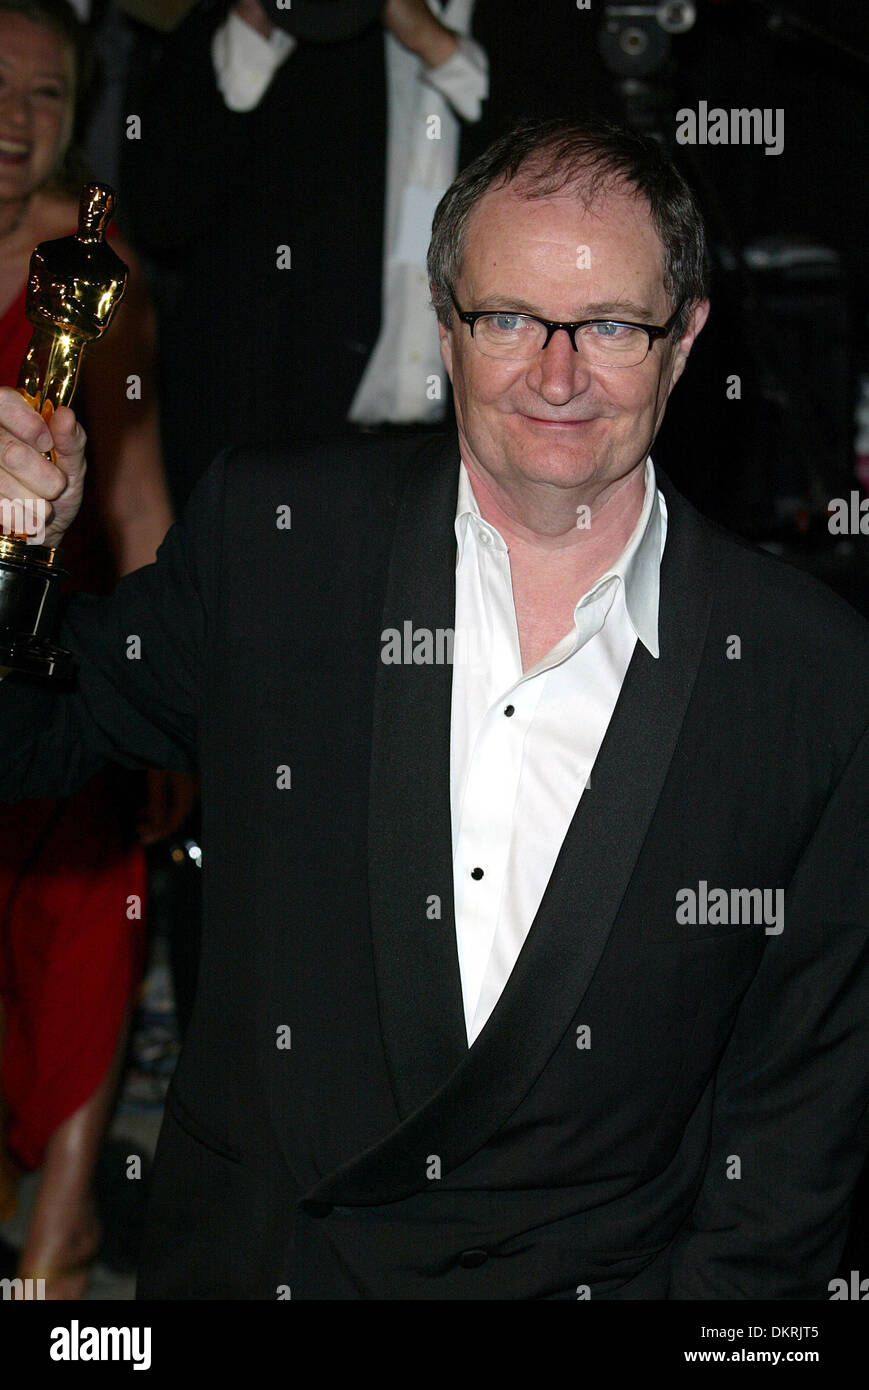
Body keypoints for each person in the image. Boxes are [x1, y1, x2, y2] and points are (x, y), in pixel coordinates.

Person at [1, 116, 868, 1300]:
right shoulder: (278, 539)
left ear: (684, 341)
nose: (555, 376)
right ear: (445, 325)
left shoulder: (808, 671)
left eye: (610, 326)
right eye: (508, 318)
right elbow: (32, 739)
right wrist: (10, 569)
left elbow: (795, 1112)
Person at [0, 0, 188, 1298]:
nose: (15, 128)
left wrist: (179, 695)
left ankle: (59, 1248)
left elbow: (133, 493)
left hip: (51, 664)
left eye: (46, 98)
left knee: (90, 919)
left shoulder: (93, 261)